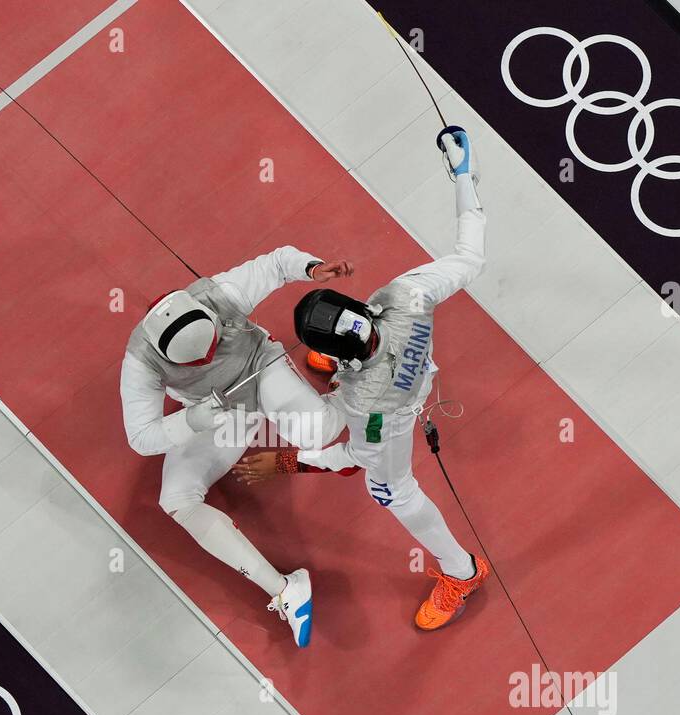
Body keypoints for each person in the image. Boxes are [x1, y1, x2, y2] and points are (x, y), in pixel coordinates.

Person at [233, 126, 489, 631]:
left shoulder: (366, 407)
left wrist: (286, 461)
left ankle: (462, 573)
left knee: (391, 490)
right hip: (397, 357)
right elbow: (470, 257)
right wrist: (463, 175)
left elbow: (349, 457)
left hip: (393, 406)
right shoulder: (406, 297)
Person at [121, 248, 354, 648]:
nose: (212, 356)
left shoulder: (217, 296)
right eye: (200, 360)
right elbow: (141, 437)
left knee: (317, 435)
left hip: (263, 371)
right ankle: (285, 589)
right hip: (216, 411)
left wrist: (311, 267)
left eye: (214, 344)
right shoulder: (140, 363)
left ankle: (352, 374)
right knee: (177, 500)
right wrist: (190, 420)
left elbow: (277, 264)